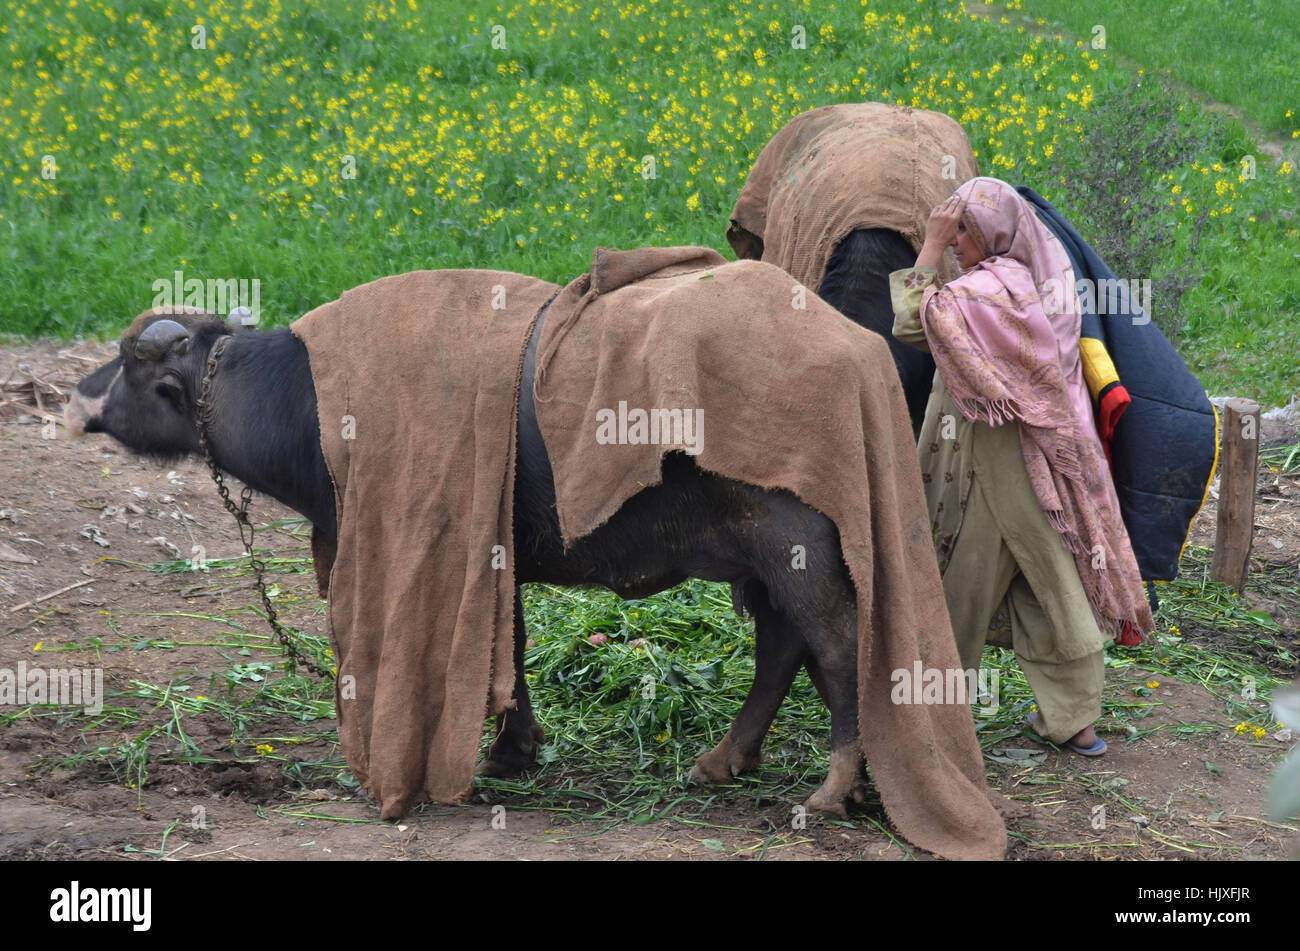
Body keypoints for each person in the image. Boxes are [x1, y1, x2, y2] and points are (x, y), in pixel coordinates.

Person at [889, 176, 1154, 755]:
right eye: (952, 231)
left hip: (1004, 466)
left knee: (960, 582)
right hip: (1053, 460)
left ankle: (931, 722)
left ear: (994, 233)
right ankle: (1073, 721)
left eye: (964, 230)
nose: (956, 241)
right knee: (1049, 587)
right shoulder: (1046, 269)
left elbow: (912, 324)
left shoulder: (994, 290)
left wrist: (928, 251)